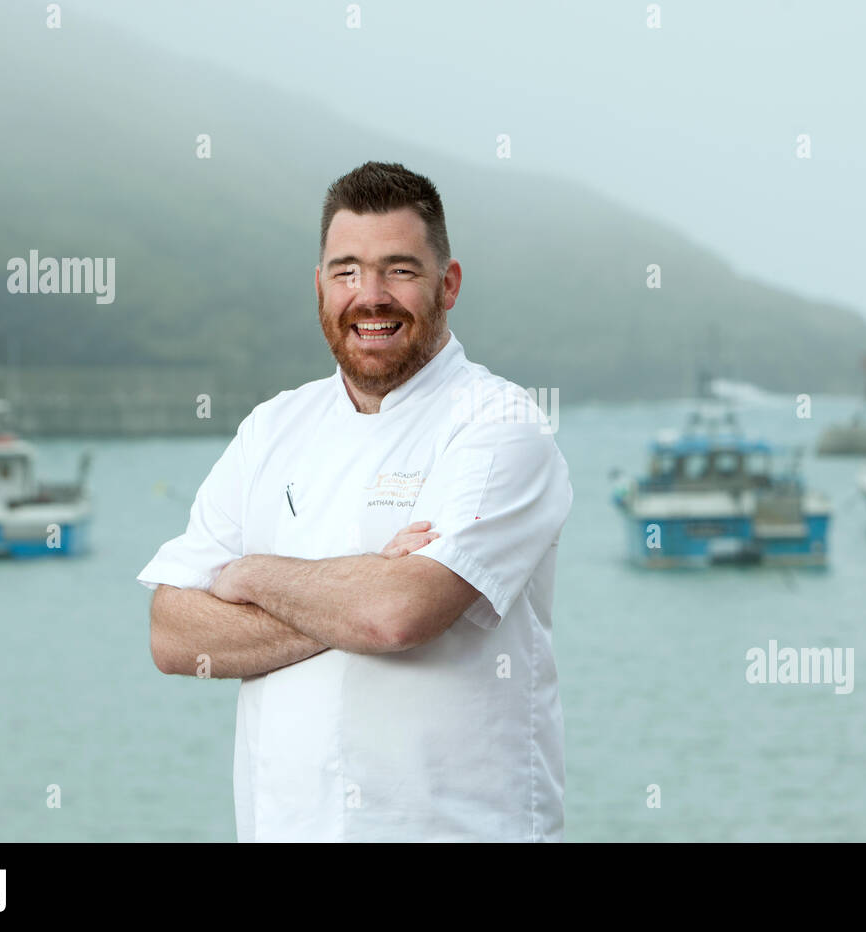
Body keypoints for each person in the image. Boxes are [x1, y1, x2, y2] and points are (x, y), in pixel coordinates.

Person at [137, 161, 572, 842]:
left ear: (447, 284)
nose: (369, 296)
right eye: (345, 271)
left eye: (399, 269)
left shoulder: (501, 425)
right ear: (318, 286)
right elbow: (172, 633)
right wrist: (366, 579)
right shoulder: (271, 429)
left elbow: (399, 614)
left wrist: (249, 577)